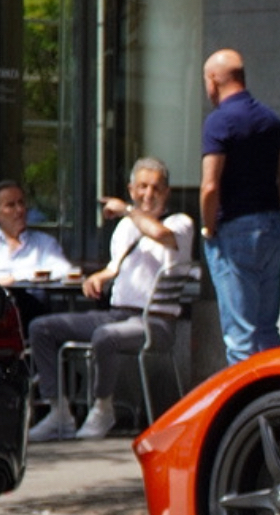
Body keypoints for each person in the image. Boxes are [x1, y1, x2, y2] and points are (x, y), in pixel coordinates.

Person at [28, 158, 195, 442]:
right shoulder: (125, 229)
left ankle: (103, 408)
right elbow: (116, 266)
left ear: (166, 193)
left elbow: (160, 235)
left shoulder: (180, 223)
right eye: (142, 187)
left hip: (155, 321)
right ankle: (59, 412)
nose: (148, 194)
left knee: (105, 336)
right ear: (132, 189)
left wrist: (128, 210)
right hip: (117, 313)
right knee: (41, 328)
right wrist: (98, 278)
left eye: (156, 188)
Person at [199, 48, 280, 364]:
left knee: (240, 338)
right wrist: (270, 210)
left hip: (234, 230)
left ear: (213, 80)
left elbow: (210, 185)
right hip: (272, 225)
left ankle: (249, 413)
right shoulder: (271, 119)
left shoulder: (218, 122)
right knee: (268, 331)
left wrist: (208, 226)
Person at [0, 180, 72, 285]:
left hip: (30, 306)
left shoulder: (44, 243)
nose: (20, 210)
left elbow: (63, 270)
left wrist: (16, 278)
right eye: (11, 205)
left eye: (21, 203)